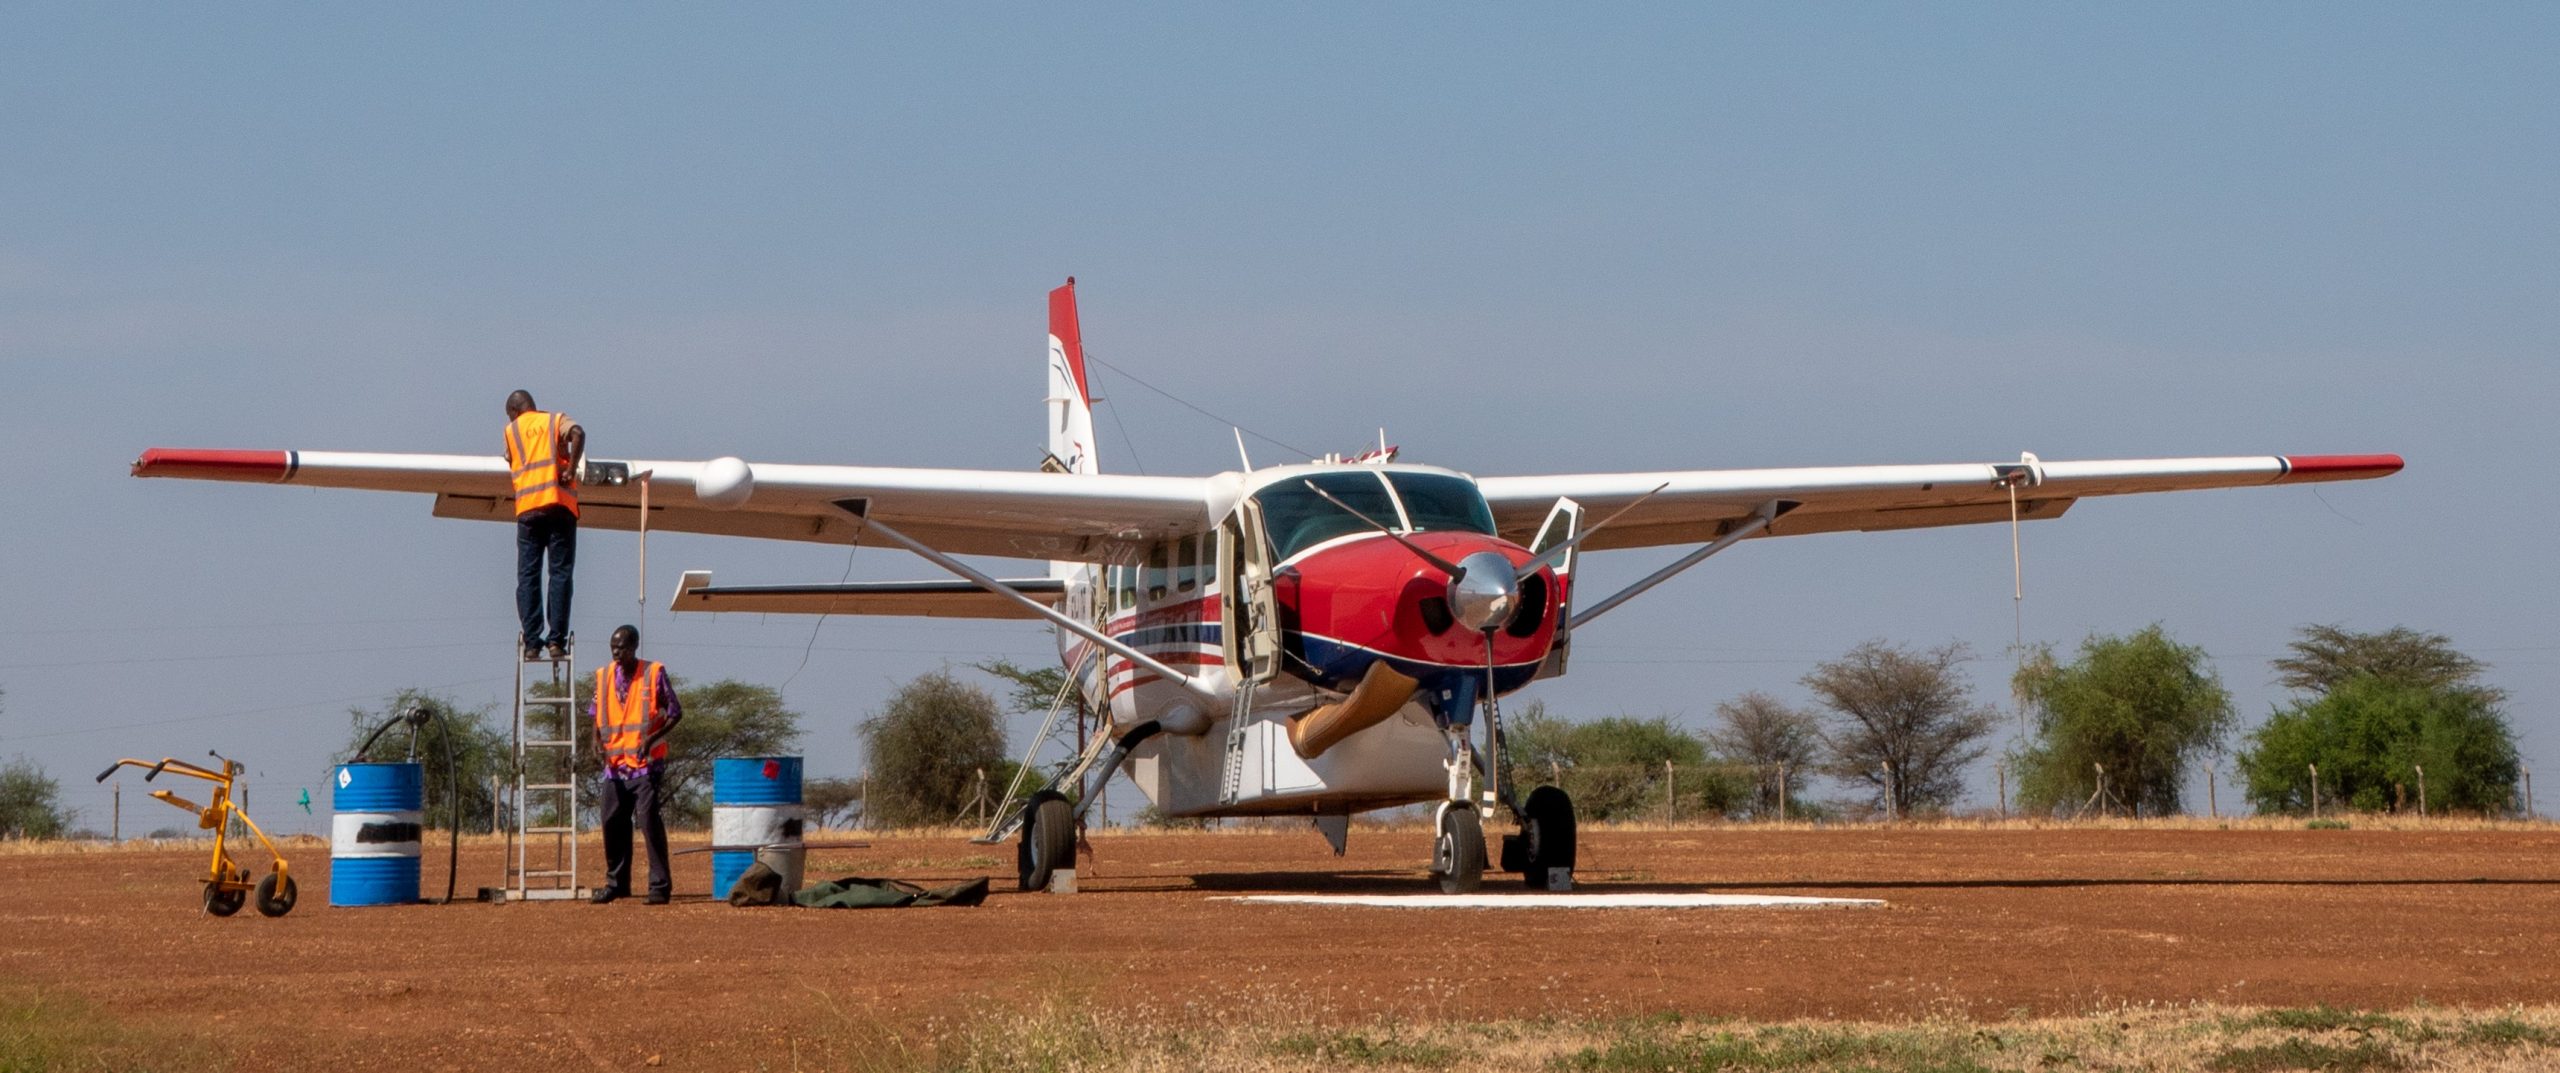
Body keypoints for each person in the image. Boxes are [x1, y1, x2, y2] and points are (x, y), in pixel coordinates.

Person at [592, 624, 681, 904]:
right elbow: (595, 714)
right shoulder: (604, 676)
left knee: (648, 821)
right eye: (613, 647)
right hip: (615, 766)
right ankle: (617, 883)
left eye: (622, 647)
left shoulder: (653, 673)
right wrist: (594, 741)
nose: (616, 652)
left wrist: (652, 738)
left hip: (646, 765)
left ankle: (659, 886)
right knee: (611, 822)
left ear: (634, 647)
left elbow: (675, 712)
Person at [503, 390, 584, 660]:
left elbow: (509, 459)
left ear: (514, 412)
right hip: (558, 504)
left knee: (528, 577)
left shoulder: (511, 431)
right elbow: (578, 433)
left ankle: (532, 642)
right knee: (559, 574)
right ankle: (556, 641)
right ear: (532, 406)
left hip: (528, 511)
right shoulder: (553, 421)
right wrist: (571, 468)